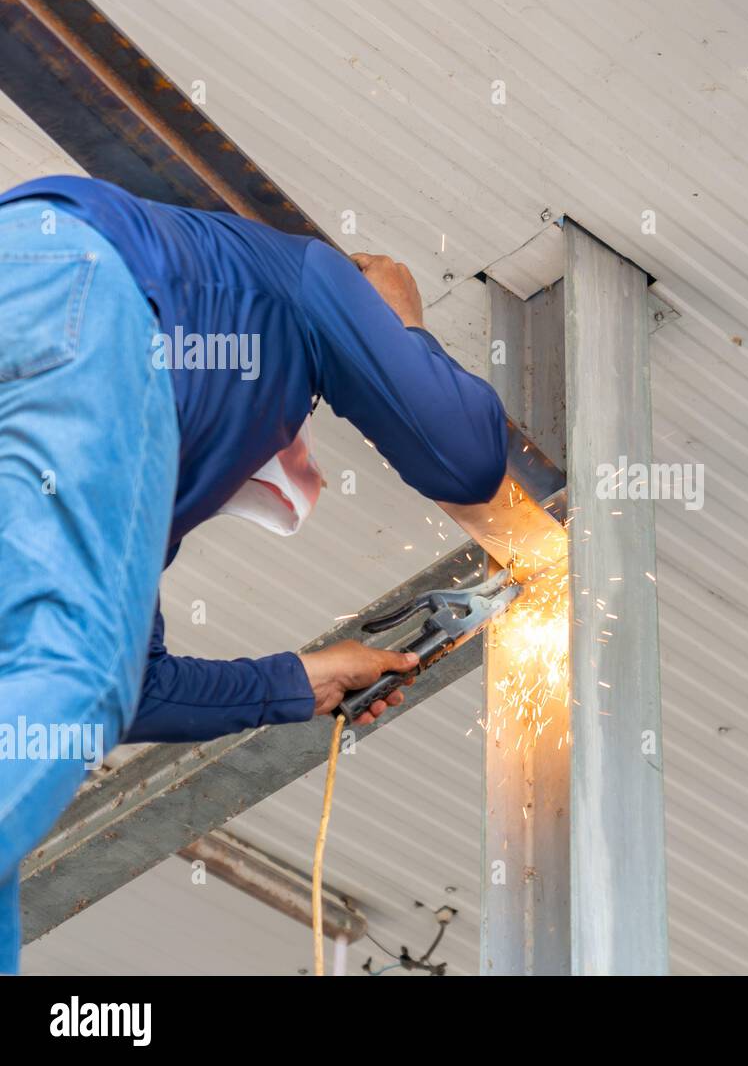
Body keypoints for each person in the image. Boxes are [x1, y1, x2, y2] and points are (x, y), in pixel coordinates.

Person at [0, 176, 508, 972]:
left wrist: (294, 682)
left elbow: (131, 688)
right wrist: (400, 322)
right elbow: (465, 454)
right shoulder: (305, 278)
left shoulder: (128, 495)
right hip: (79, 284)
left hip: (37, 274)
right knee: (73, 664)